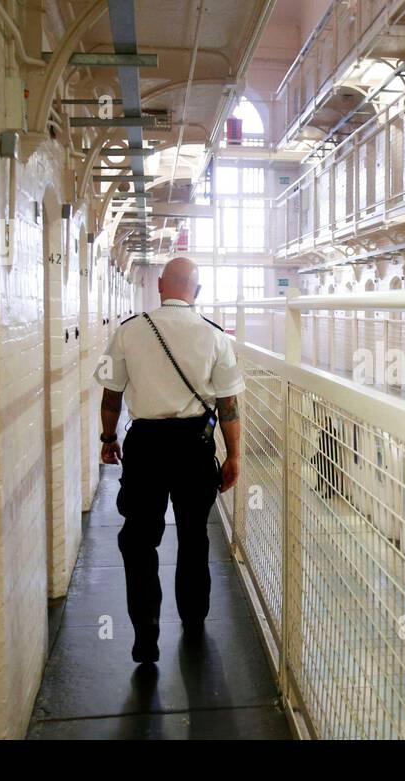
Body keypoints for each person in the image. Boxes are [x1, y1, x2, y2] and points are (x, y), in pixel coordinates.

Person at [92, 257, 243, 664]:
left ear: (160, 285)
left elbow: (111, 394)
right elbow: (228, 406)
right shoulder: (215, 337)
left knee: (138, 540)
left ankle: (146, 633)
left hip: (146, 446)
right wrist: (233, 457)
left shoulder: (129, 331)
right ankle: (194, 622)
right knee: (194, 537)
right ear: (197, 291)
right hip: (195, 445)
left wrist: (109, 438)